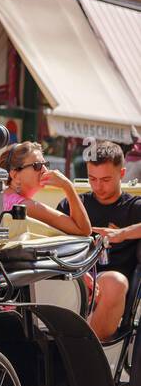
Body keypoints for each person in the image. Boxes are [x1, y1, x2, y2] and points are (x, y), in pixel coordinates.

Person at [55, 140, 141, 340]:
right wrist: (77, 272)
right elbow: (54, 241)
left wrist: (123, 233)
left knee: (114, 282)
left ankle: (83, 353)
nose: (98, 186)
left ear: (122, 174)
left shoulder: (134, 207)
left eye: (106, 179)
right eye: (92, 178)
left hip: (109, 287)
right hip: (73, 280)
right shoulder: (73, 205)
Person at [0, 141, 89, 237]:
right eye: (37, 165)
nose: (45, 170)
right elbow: (83, 230)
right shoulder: (26, 206)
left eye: (45, 164)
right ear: (15, 175)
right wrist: (68, 186)